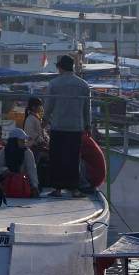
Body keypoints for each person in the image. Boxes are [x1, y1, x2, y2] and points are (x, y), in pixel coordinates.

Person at [43, 55, 91, 196]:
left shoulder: (54, 84)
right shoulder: (83, 85)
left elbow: (48, 106)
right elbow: (86, 108)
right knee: (73, 157)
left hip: (58, 126)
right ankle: (74, 189)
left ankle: (57, 189)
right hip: (76, 127)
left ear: (61, 67)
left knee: (57, 158)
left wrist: (44, 120)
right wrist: (88, 125)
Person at [3, 126, 38, 192]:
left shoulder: (27, 152)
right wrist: (6, 171)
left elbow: (32, 170)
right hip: (7, 183)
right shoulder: (4, 151)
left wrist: (34, 186)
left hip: (23, 183)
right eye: (22, 140)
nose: (24, 141)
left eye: (25, 140)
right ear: (14, 141)